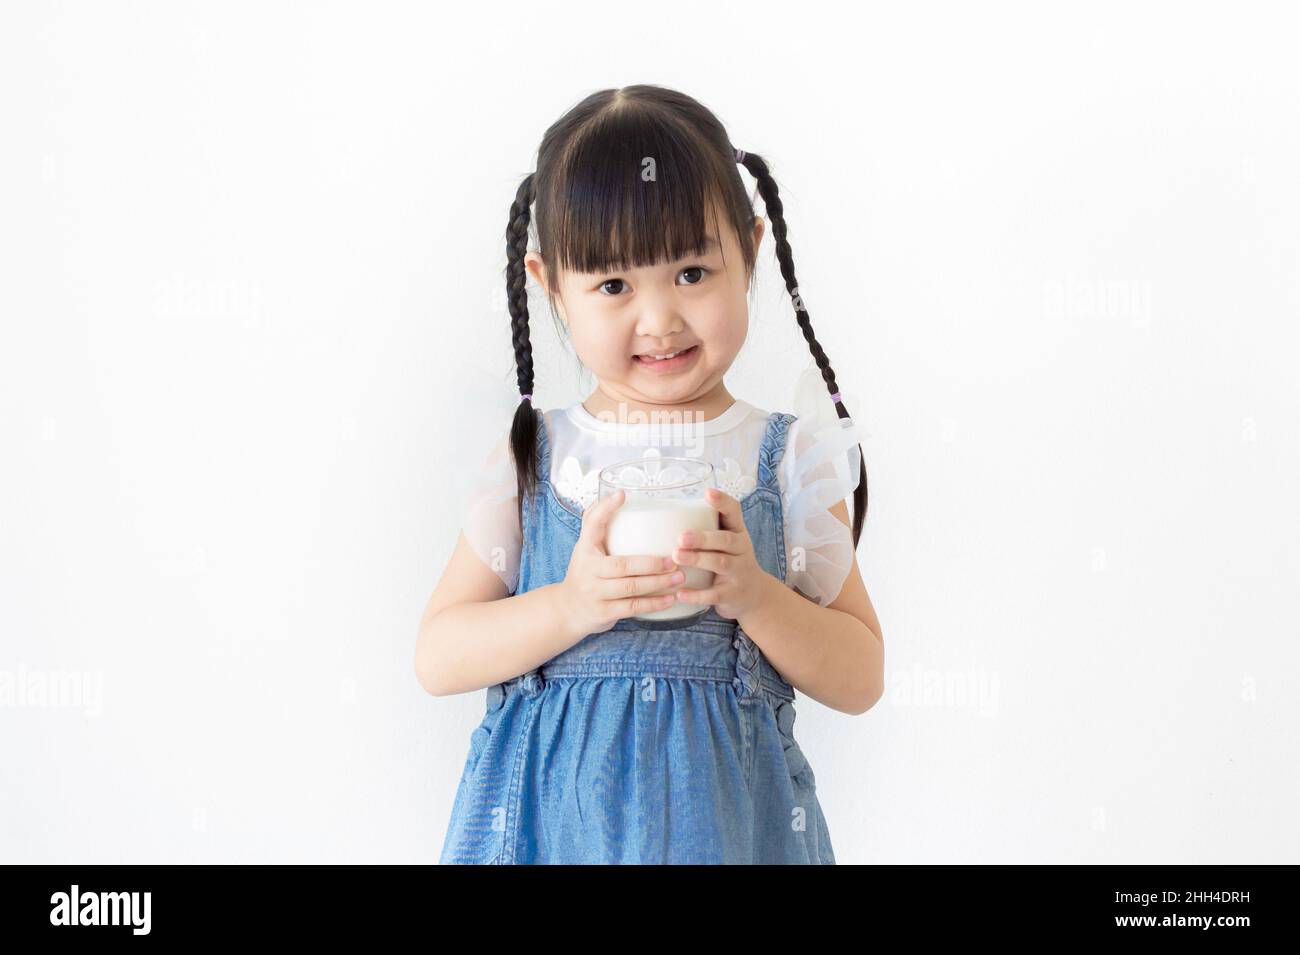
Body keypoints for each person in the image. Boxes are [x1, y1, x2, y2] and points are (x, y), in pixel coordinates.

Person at [415, 84, 884, 864]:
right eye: (613, 285)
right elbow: (439, 654)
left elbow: (860, 672)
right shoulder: (535, 459)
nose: (660, 316)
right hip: (552, 837)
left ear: (752, 250)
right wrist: (568, 606)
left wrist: (758, 598)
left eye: (693, 272)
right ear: (549, 284)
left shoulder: (788, 459)